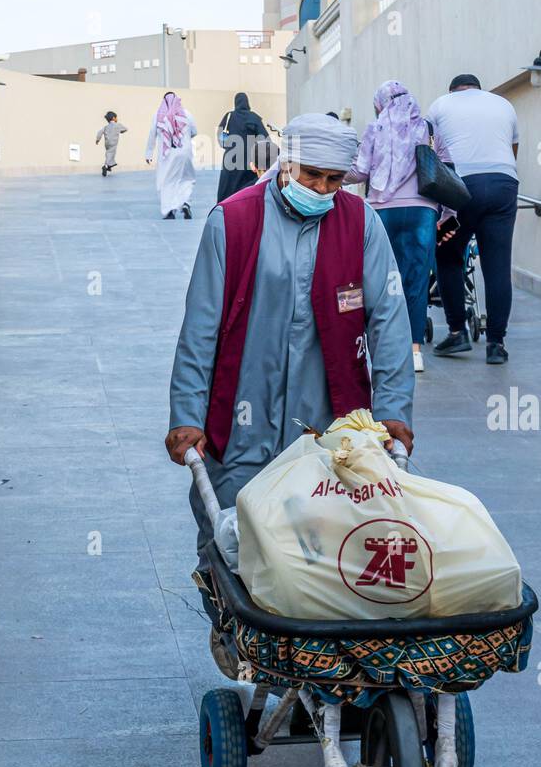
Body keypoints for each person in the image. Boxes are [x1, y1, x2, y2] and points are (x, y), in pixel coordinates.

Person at [166, 112, 415, 621]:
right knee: (236, 545)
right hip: (239, 422)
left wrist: (392, 410)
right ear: (285, 162)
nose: (321, 189)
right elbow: (199, 331)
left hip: (331, 431)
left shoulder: (361, 224)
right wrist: (186, 415)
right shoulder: (232, 221)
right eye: (310, 175)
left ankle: (322, 664)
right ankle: (253, 646)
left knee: (328, 546)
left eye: (333, 180)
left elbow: (389, 322)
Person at [346, 80, 455, 374]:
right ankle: (415, 352)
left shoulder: (374, 129)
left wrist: (329, 177)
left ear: (380, 103)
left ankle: (380, 349)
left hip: (382, 213)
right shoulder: (429, 130)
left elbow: (359, 171)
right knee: (416, 282)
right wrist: (447, 214)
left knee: (378, 280)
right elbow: (446, 169)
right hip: (422, 212)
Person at [427, 74, 519, 365]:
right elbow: (513, 151)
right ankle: (496, 344)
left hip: (459, 190)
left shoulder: (440, 105)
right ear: (480, 88)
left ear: (452, 90)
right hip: (503, 186)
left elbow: (429, 151)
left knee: (447, 255)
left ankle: (457, 331)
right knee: (498, 266)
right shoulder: (504, 104)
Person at [145, 91, 197, 219]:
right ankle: (185, 203)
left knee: (167, 181)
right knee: (187, 179)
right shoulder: (187, 114)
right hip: (185, 153)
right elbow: (194, 132)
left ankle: (170, 210)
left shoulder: (158, 115)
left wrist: (149, 153)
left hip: (167, 155)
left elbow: (152, 135)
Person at [216, 91, 269, 202]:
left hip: (231, 159)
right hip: (250, 161)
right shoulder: (254, 118)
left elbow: (221, 137)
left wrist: (228, 146)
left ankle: (225, 211)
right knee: (248, 189)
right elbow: (264, 139)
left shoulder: (229, 116)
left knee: (227, 189)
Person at [95, 110, 127, 177]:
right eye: (116, 117)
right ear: (113, 118)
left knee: (109, 153)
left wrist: (97, 140)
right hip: (113, 142)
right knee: (111, 153)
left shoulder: (105, 127)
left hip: (107, 143)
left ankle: (109, 166)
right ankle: (106, 166)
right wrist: (121, 131)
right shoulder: (118, 125)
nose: (117, 119)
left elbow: (99, 133)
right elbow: (125, 129)